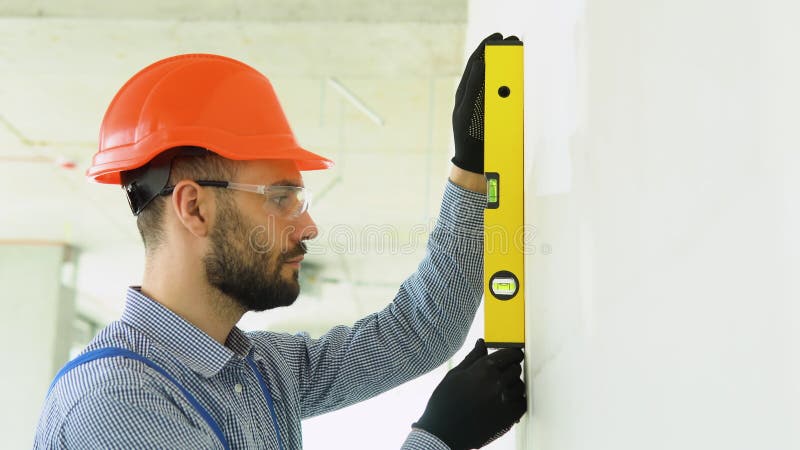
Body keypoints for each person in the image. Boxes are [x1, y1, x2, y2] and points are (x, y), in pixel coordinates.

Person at [34, 33, 525, 449]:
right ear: (194, 208)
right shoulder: (117, 405)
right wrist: (437, 439)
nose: (308, 227)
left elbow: (417, 335)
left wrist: (470, 171)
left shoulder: (259, 371)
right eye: (280, 198)